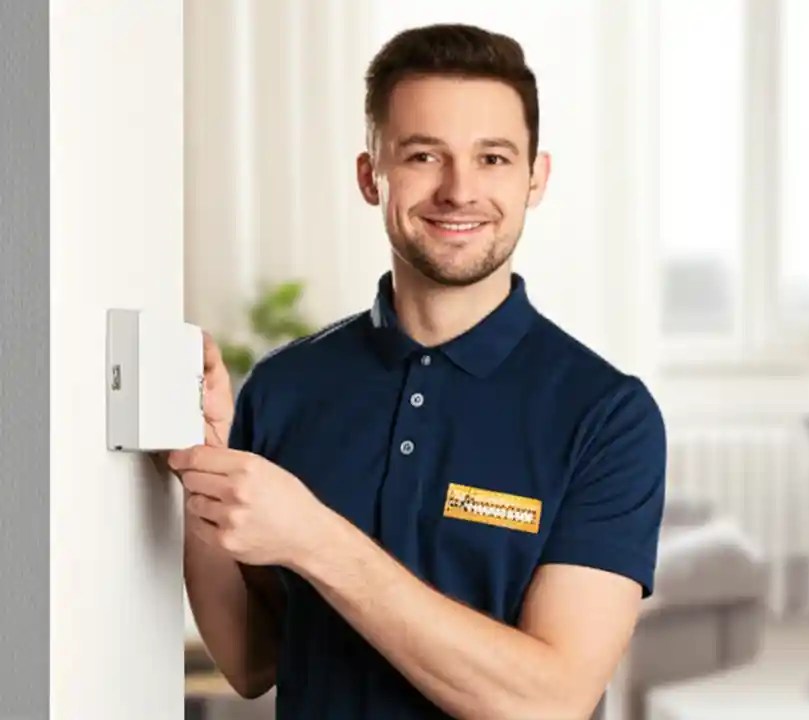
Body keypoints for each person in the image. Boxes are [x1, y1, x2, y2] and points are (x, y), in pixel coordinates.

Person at [168, 23, 666, 720]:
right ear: (370, 176)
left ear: (535, 178)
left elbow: (549, 703)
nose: (459, 191)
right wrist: (202, 470)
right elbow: (253, 661)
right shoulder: (285, 387)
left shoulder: (607, 415)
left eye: (492, 158)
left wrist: (318, 539)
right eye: (424, 155)